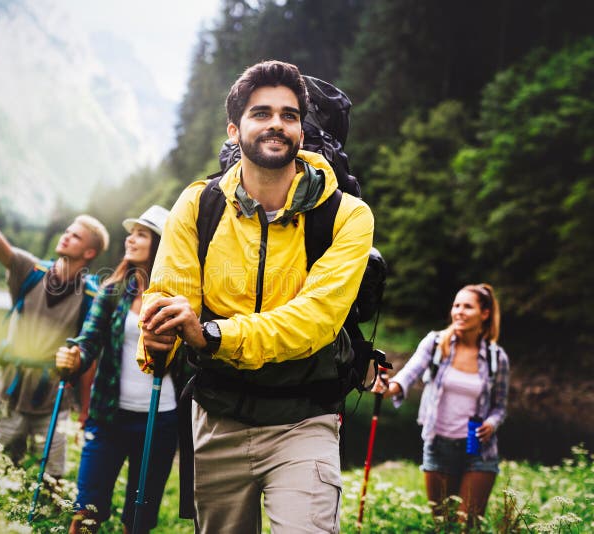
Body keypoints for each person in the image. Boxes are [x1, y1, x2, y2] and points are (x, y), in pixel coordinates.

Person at [138, 60, 374, 533]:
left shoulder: (347, 216)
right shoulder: (197, 204)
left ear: (302, 132)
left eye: (289, 115)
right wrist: (158, 339)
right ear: (234, 128)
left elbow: (313, 322)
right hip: (217, 417)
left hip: (304, 419)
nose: (276, 124)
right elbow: (168, 294)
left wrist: (209, 334)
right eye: (260, 113)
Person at [0, 168, 109, 479]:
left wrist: (84, 410)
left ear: (89, 252)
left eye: (75, 235)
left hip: (54, 398)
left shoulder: (91, 296)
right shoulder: (28, 271)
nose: (66, 235)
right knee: (0, 471)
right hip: (12, 393)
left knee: (53, 479)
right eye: (67, 230)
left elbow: (90, 357)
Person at [56, 205, 178, 534]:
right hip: (108, 414)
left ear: (161, 243)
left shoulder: (180, 294)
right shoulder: (112, 289)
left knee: (138, 518)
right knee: (87, 510)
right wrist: (75, 356)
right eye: (131, 232)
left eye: (141, 234)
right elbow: (90, 339)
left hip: (159, 417)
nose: (130, 238)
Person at [372, 283, 509, 527]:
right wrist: (388, 388)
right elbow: (408, 375)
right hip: (438, 446)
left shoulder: (496, 358)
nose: (459, 311)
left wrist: (492, 422)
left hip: (478, 450)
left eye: (467, 306)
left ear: (484, 313)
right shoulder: (435, 344)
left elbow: (499, 406)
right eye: (456, 305)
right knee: (443, 525)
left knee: (467, 525)